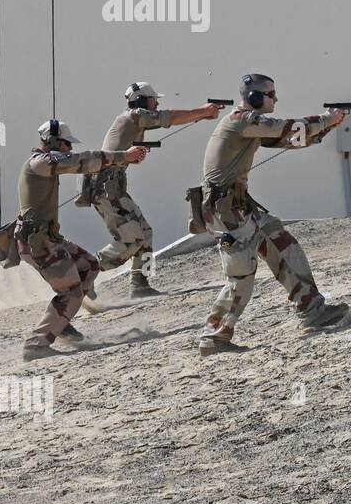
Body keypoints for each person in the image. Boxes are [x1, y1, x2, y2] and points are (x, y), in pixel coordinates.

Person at [196, 73, 350, 356]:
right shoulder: (243, 120)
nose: (275, 99)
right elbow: (288, 127)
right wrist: (327, 119)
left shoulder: (250, 125)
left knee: (282, 243)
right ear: (253, 97)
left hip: (240, 207)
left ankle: (311, 308)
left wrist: (329, 126)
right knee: (241, 275)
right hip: (226, 214)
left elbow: (292, 138)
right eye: (270, 95)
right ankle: (213, 336)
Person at [16, 119, 149, 361]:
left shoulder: (44, 163)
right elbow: (80, 161)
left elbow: (77, 160)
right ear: (54, 141)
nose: (68, 149)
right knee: (71, 293)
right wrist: (123, 156)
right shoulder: (39, 163)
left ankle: (61, 321)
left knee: (89, 266)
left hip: (48, 238)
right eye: (65, 144)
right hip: (38, 242)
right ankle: (36, 344)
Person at [87, 82, 223, 296]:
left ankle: (141, 284)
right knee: (132, 239)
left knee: (146, 233)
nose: (157, 103)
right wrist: (202, 111)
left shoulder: (133, 119)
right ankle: (86, 271)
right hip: (106, 188)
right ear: (141, 100)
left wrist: (201, 114)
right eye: (153, 99)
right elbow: (169, 118)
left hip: (112, 186)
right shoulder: (135, 115)